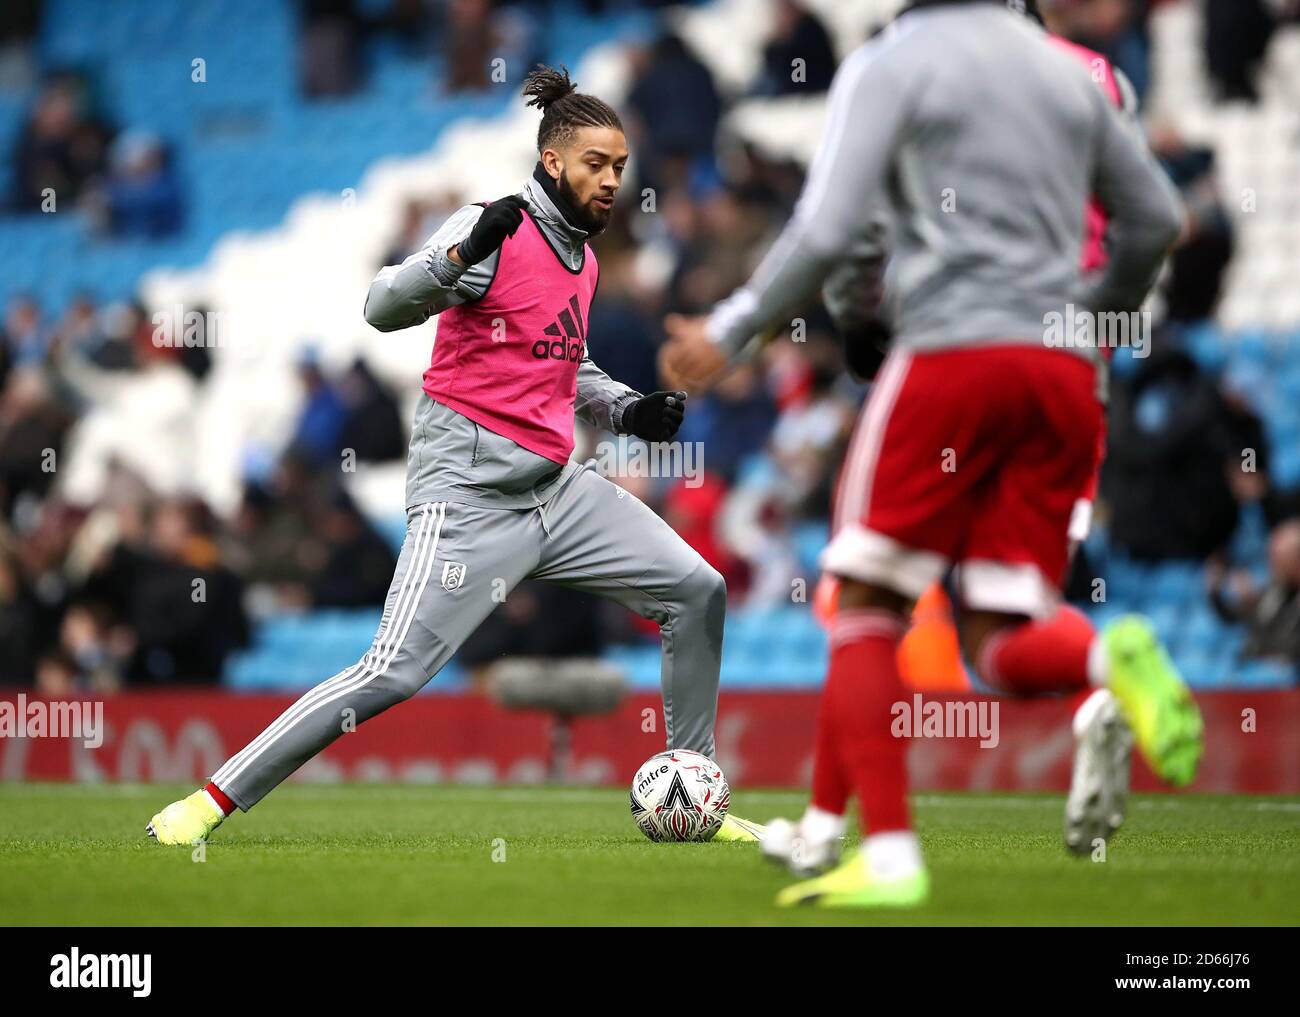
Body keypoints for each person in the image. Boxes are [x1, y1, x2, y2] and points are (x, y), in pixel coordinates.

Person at [661, 0, 1199, 908]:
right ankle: (1110, 662)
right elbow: (1156, 220)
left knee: (863, 597)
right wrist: (1082, 310)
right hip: (1068, 374)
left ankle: (891, 853)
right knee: (998, 635)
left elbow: (833, 233)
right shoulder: (1075, 72)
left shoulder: (891, 62)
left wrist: (734, 327)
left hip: (953, 355)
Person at [146, 66, 764, 847]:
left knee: (696, 589)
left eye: (618, 167)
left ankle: (694, 795)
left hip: (556, 490)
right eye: (596, 164)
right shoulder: (491, 230)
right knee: (390, 672)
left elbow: (562, 366)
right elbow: (380, 307)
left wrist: (629, 407)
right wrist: (460, 252)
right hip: (468, 497)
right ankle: (208, 801)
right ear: (552, 162)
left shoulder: (584, 257)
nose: (612, 181)